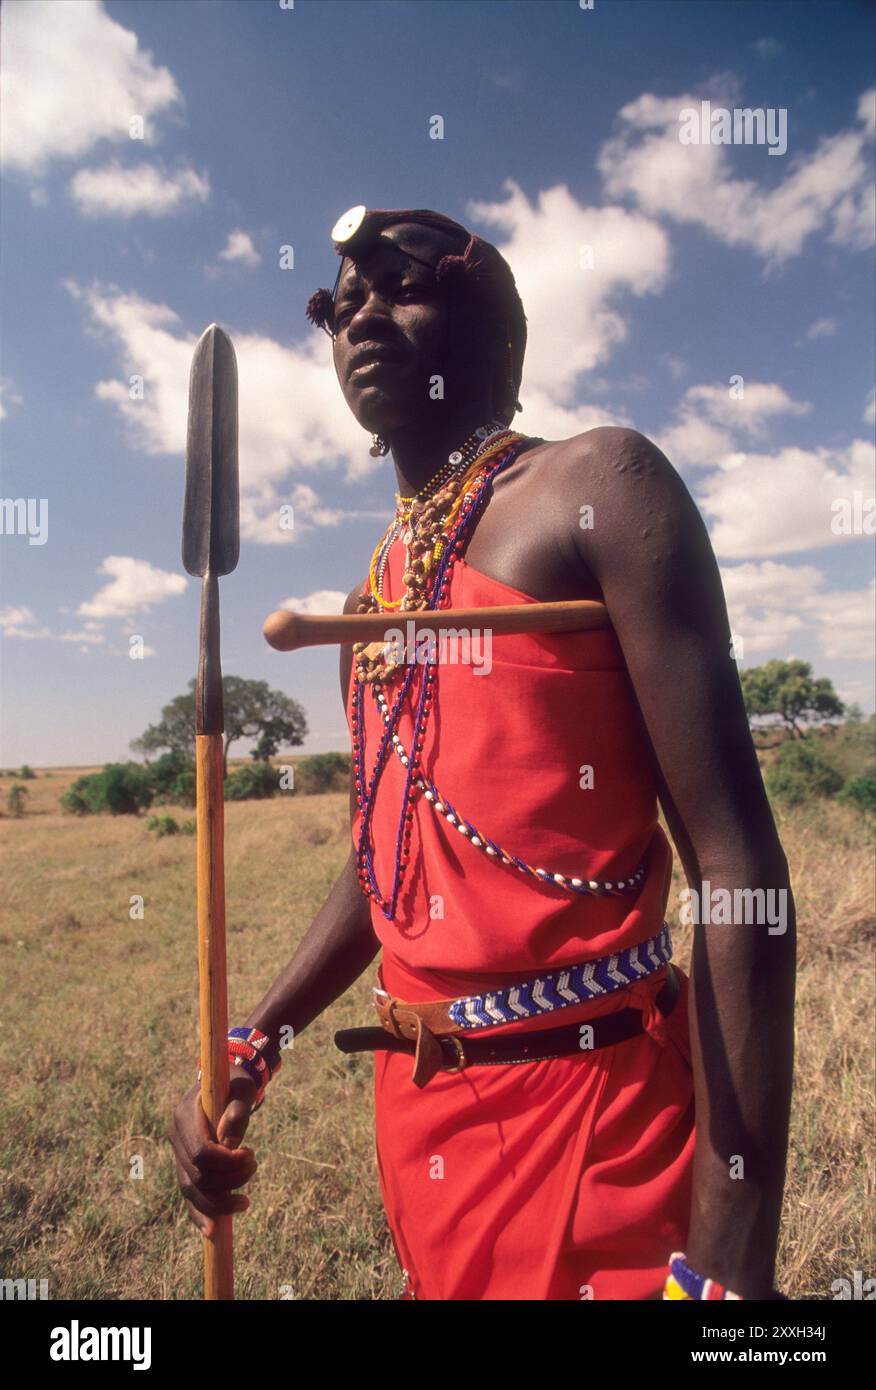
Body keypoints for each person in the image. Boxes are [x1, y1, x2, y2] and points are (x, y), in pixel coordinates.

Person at [168, 205, 796, 1301]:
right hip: (428, 1130)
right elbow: (390, 863)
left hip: (603, 1124)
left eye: (401, 284)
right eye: (343, 301)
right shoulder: (374, 592)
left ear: (495, 326)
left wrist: (729, 1275)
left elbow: (739, 871)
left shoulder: (599, 487)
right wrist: (254, 1039)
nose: (363, 311)